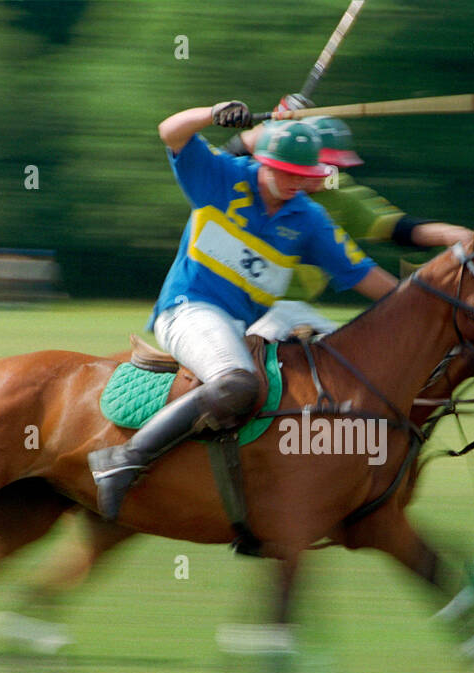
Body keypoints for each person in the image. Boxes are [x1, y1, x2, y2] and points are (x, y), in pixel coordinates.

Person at [86, 101, 398, 521]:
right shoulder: (221, 177)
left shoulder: (309, 219)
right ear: (262, 161)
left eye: (304, 177)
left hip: (244, 327)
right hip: (188, 310)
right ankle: (124, 458)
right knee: (238, 384)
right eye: (286, 172)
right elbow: (170, 130)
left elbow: (367, 277)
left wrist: (425, 304)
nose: (294, 184)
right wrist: (214, 113)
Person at [222, 105, 473, 339]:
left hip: (292, 309)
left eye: (335, 168)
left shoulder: (340, 198)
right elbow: (219, 165)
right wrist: (265, 129)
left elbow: (401, 229)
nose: (327, 175)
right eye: (323, 165)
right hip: (231, 301)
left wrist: (451, 235)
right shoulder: (257, 181)